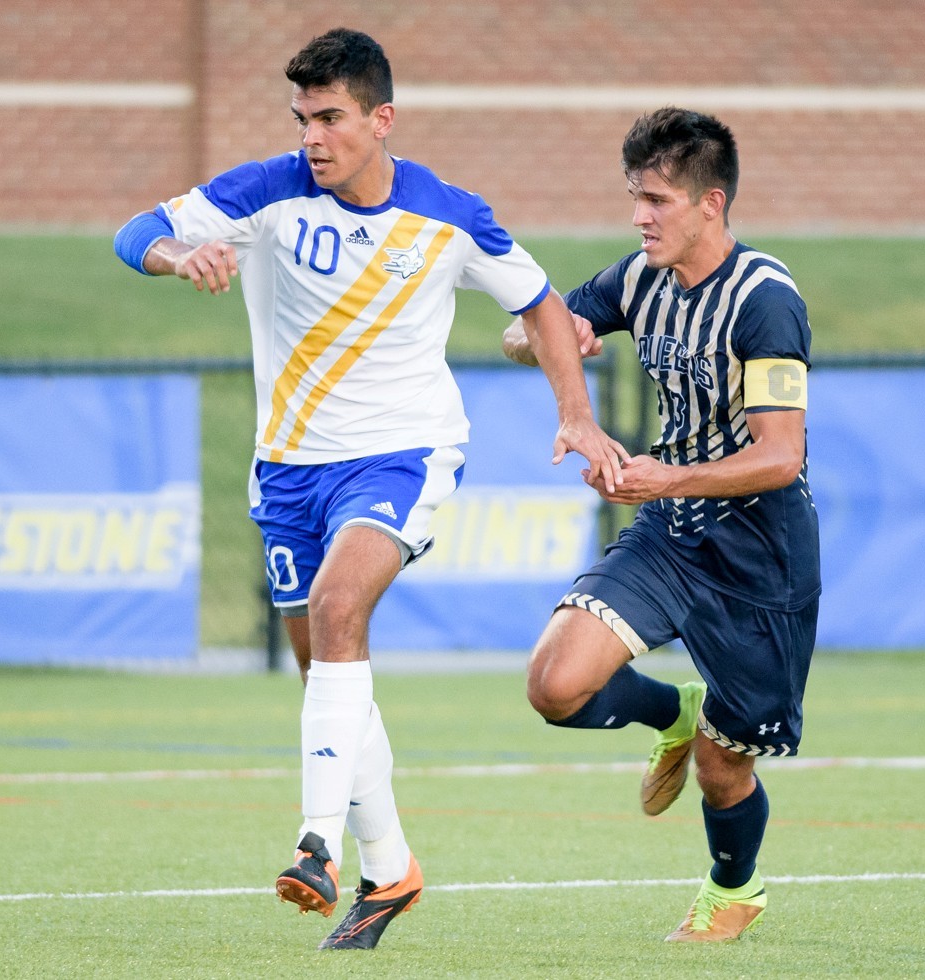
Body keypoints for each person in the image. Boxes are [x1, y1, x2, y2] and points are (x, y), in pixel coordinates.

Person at [113, 28, 626, 951]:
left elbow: (542, 303)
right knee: (327, 678)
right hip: (287, 469)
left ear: (381, 120)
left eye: (333, 118)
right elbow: (133, 232)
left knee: (341, 604)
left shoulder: (448, 213)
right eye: (303, 118)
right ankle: (390, 869)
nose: (314, 135)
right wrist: (176, 258)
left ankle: (316, 846)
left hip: (403, 455)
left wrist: (576, 416)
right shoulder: (263, 191)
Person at [502, 106, 818, 943]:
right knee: (555, 685)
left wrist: (667, 476)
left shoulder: (765, 302)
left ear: (710, 204)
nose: (639, 216)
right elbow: (519, 329)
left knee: (724, 769)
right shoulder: (638, 279)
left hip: (761, 553)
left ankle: (735, 889)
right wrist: (553, 337)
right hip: (673, 529)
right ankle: (671, 712)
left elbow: (782, 455)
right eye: (634, 197)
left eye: (657, 201)